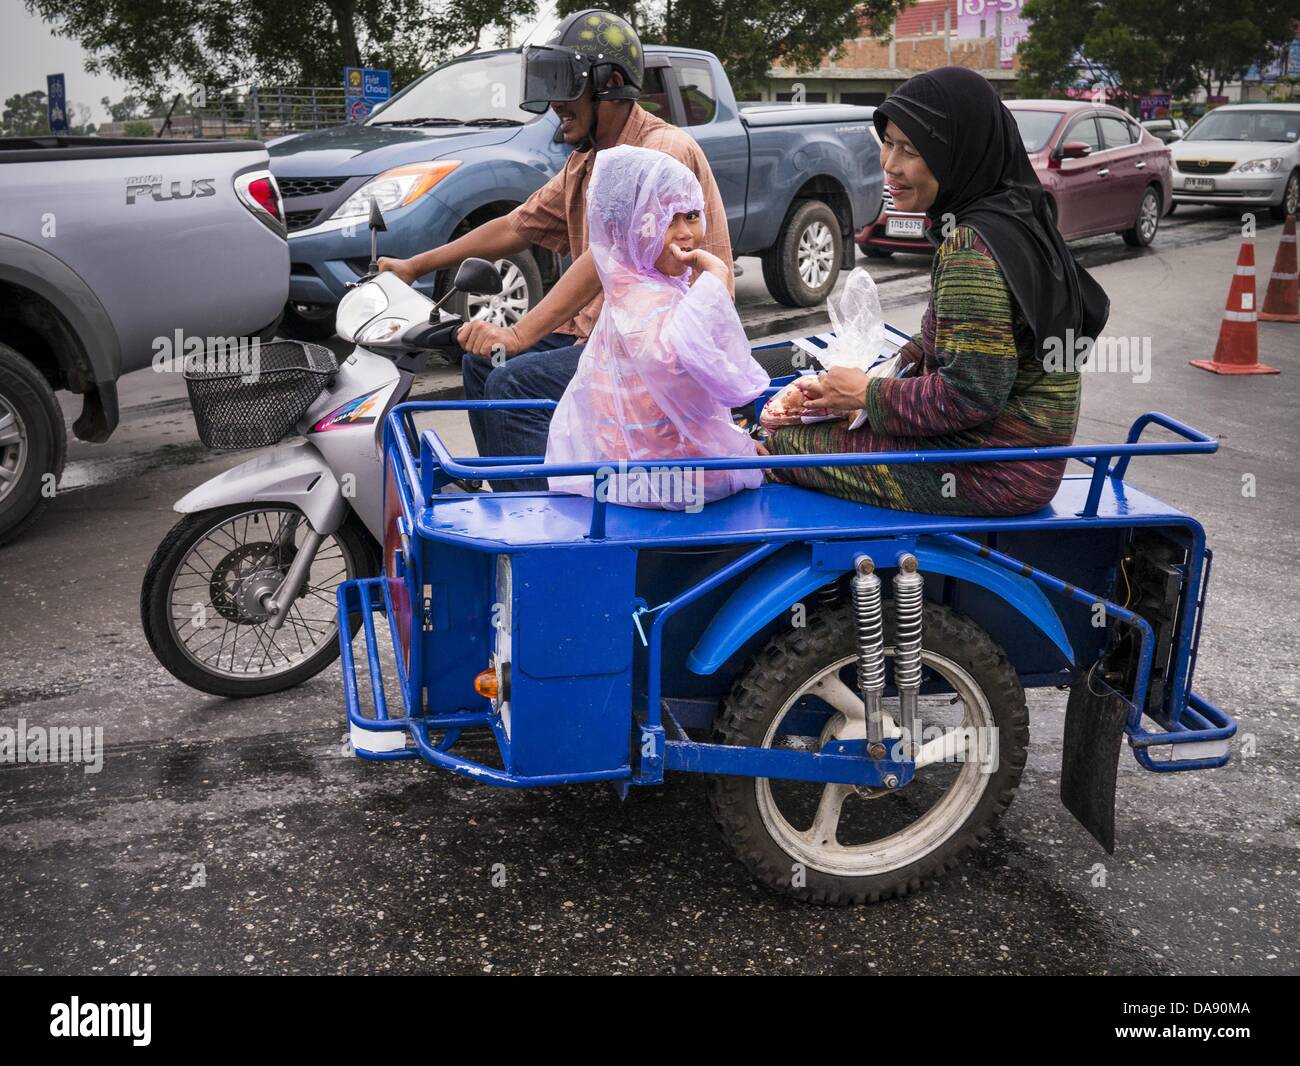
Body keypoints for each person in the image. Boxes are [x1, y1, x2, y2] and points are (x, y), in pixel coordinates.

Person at [378, 9, 733, 491]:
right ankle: (510, 494)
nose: (554, 105)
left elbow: (610, 255)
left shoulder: (659, 153)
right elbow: (514, 226)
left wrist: (521, 334)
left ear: (609, 84)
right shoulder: (587, 160)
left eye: (566, 88)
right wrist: (413, 265)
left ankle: (542, 526)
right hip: (609, 333)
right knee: (482, 363)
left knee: (514, 380)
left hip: (663, 345)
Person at [765, 66, 1110, 517]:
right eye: (887, 143)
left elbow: (971, 396)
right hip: (1013, 456)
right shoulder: (1014, 213)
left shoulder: (972, 248)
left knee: (786, 443)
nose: (890, 164)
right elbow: (944, 346)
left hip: (992, 470)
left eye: (911, 149)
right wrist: (870, 383)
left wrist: (866, 394)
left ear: (958, 154)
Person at [546, 145, 768, 509]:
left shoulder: (645, 282)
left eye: (691, 216)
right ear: (631, 228)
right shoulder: (642, 297)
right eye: (666, 220)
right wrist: (715, 278)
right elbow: (699, 369)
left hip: (646, 470)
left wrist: (735, 442)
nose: (685, 234)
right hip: (663, 481)